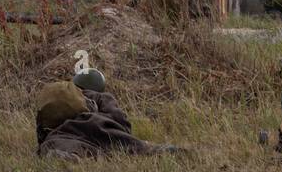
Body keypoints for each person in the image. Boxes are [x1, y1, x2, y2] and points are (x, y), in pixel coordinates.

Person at [36, 69, 177, 161]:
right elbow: (121, 122)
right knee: (138, 148)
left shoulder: (65, 102)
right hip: (100, 127)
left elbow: (42, 134)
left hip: (64, 136)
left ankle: (70, 156)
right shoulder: (101, 98)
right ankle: (176, 151)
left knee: (57, 147)